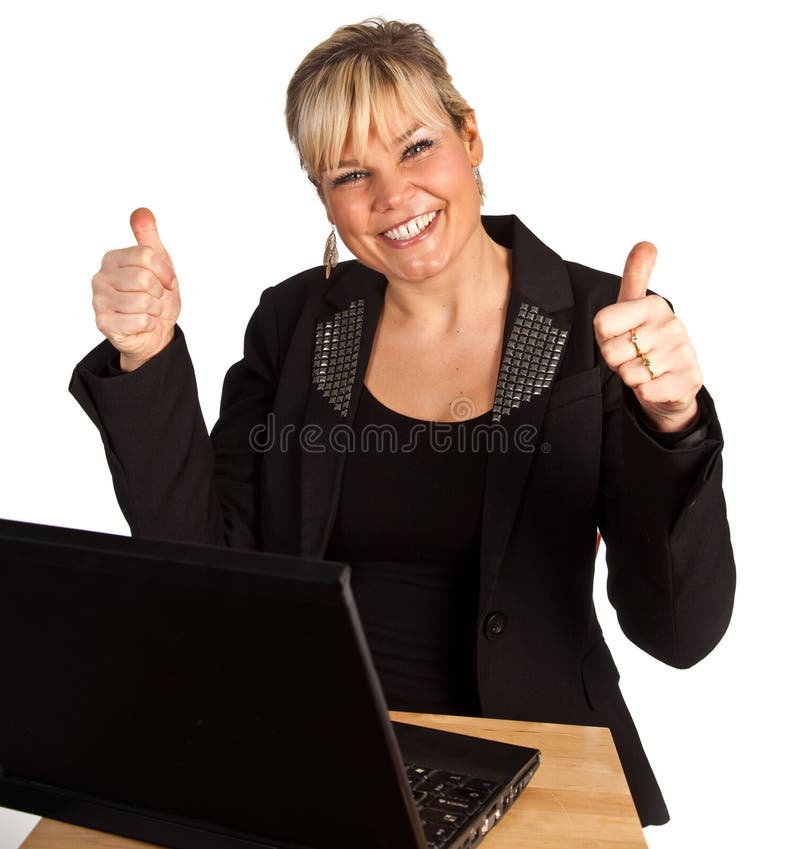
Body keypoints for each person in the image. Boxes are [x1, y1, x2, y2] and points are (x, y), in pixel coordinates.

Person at [70, 18, 735, 827]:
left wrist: (673, 424)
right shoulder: (298, 323)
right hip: (308, 755)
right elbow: (207, 565)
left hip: (541, 764)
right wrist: (147, 359)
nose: (392, 197)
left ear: (471, 136)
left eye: (417, 147)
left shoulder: (603, 324)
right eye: (352, 171)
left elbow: (680, 631)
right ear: (323, 196)